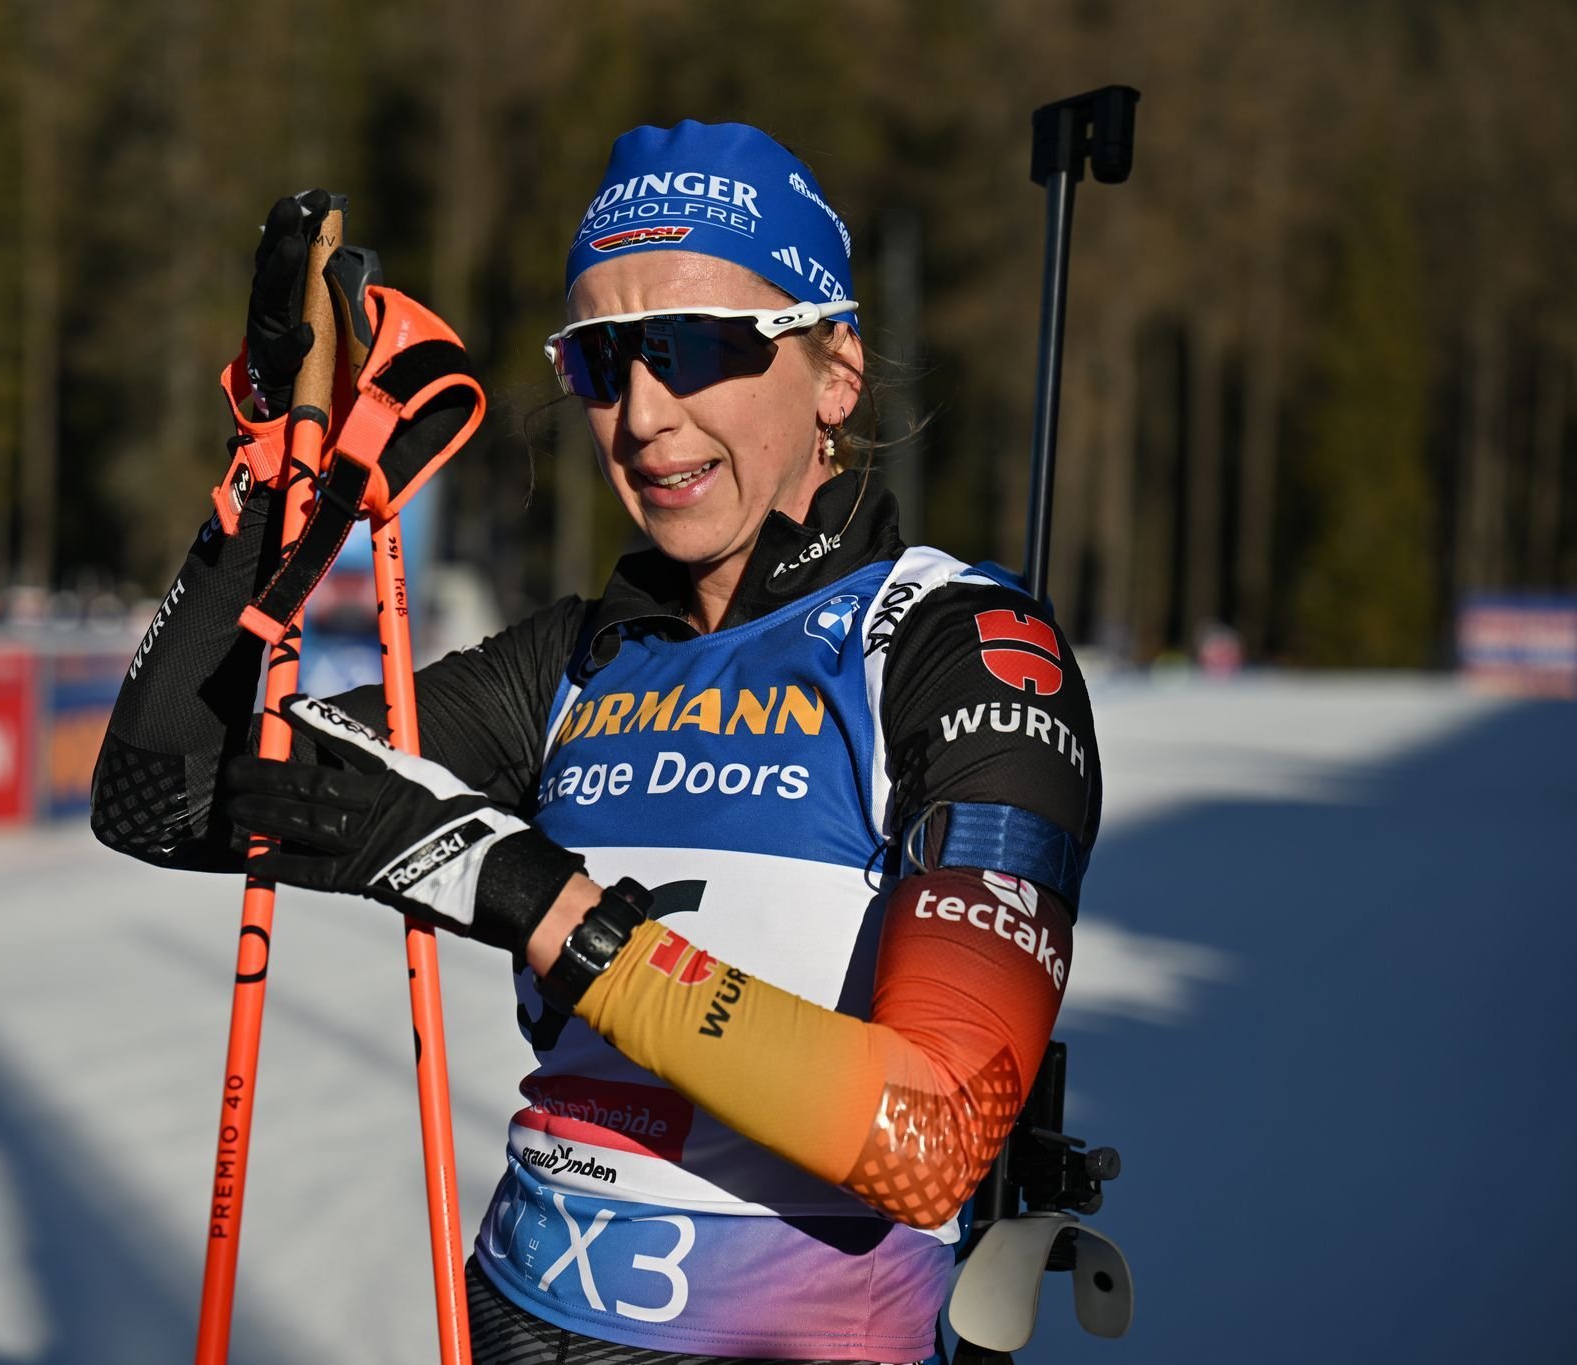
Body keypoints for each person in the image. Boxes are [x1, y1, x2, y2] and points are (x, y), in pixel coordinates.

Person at [92, 120, 1101, 1365]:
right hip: (510, 1320)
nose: (641, 414)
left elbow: (932, 1134)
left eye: (696, 349)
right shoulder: (571, 662)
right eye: (600, 363)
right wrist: (279, 469)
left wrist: (524, 894)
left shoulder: (957, 642)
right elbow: (160, 789)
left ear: (834, 367)